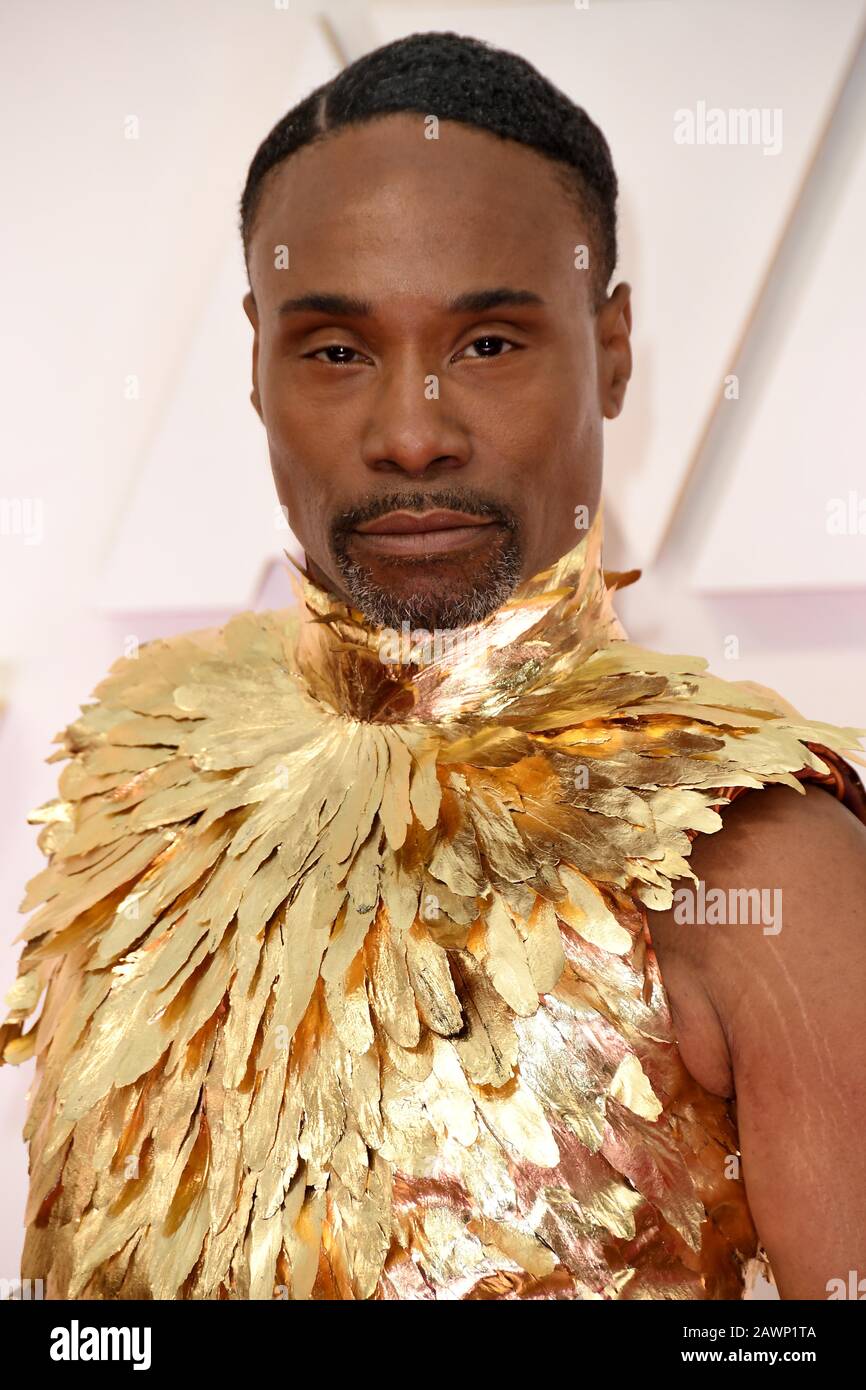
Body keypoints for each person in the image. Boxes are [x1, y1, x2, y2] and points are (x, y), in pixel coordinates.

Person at [2, 31, 865, 1302]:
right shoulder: (138, 769)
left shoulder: (756, 853)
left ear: (610, 350)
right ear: (256, 363)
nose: (411, 432)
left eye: (489, 344)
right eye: (337, 350)